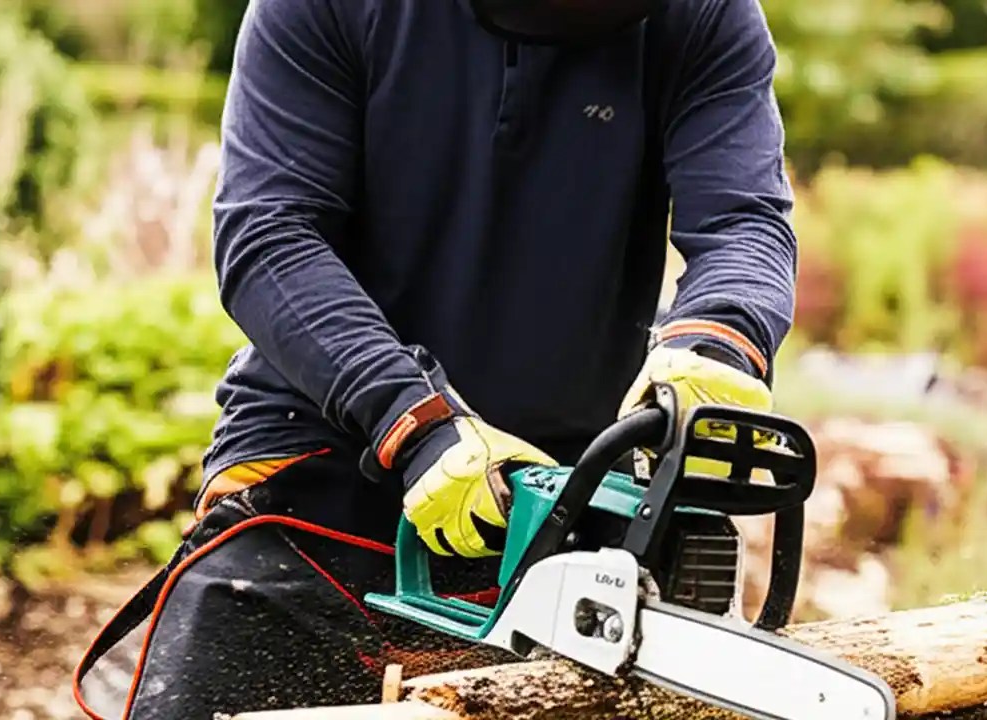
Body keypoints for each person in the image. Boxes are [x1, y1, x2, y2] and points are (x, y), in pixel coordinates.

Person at [73, 0, 796, 716]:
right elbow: (269, 236)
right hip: (323, 466)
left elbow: (745, 220)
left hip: (572, 489)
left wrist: (717, 341)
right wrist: (413, 418)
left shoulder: (703, 15)